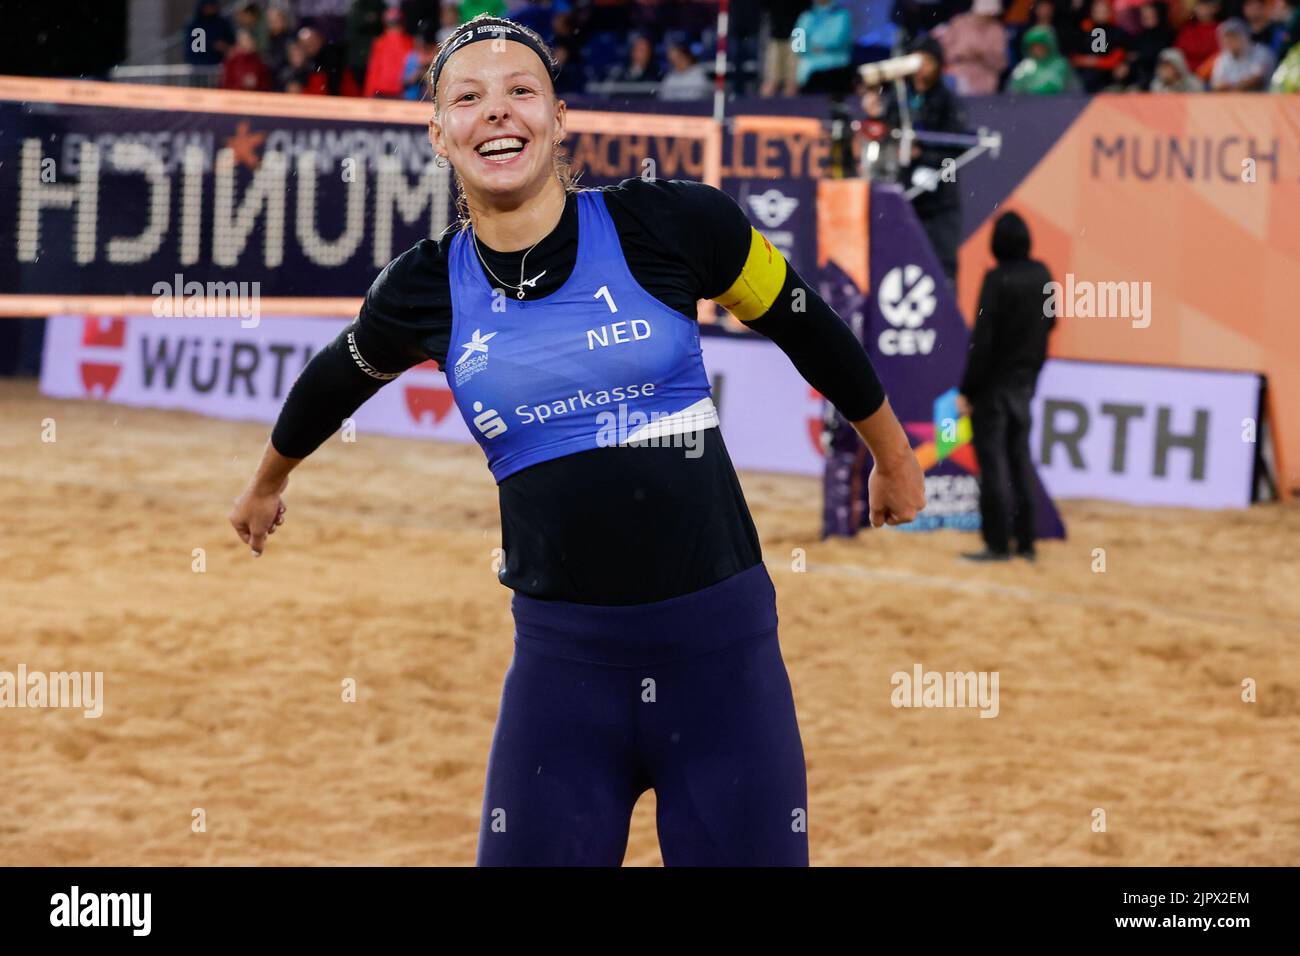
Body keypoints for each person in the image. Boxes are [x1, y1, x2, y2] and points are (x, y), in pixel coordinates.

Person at [229, 14, 925, 867]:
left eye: (521, 91)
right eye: (469, 98)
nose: (497, 112)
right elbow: (333, 383)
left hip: (723, 667)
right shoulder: (423, 290)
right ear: (438, 133)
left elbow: (806, 325)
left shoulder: (673, 224)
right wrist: (268, 481)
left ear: (560, 119)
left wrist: (891, 454)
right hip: (563, 680)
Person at [957, 212, 1054, 563]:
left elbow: (982, 341)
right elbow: (1050, 324)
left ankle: (998, 544)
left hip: (993, 389)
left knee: (993, 465)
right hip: (1024, 384)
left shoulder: (997, 280)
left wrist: (967, 389)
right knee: (1020, 461)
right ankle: (1026, 543)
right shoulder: (1043, 275)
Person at [862, 36, 970, 286]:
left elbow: (957, 148)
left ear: (939, 65)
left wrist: (923, 155)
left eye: (928, 61)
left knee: (941, 270)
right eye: (917, 61)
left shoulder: (949, 102)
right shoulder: (898, 98)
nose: (921, 68)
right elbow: (884, 137)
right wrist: (875, 116)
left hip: (941, 202)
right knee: (897, 266)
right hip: (904, 195)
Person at [934, 0, 1010, 95]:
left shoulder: (997, 30)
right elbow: (944, 51)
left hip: (985, 76)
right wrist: (961, 54)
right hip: (957, 72)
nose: (987, 17)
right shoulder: (959, 23)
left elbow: (1001, 64)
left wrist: (981, 54)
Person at [794, 0, 855, 95]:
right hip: (810, 70)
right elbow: (797, 43)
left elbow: (839, 39)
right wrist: (810, 49)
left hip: (837, 68)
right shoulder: (806, 16)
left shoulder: (842, 14)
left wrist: (821, 47)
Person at [1008, 23, 1081, 92]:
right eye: (1034, 47)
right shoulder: (1024, 68)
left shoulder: (1062, 65)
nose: (1038, 50)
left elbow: (1075, 89)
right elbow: (1013, 93)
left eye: (1041, 46)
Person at [759, 0, 808, 97]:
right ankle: (764, 108)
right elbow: (765, 5)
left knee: (792, 81)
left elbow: (807, 8)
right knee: (771, 79)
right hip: (776, 33)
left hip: (798, 33)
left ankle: (792, 106)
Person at [364, 6, 415, 97]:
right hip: (399, 91)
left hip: (383, 90)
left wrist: (368, 93)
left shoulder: (380, 42)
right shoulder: (408, 42)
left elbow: (373, 70)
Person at [1211, 17, 1276, 87]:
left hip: (1261, 97)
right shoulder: (1223, 58)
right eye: (1227, 38)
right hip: (1231, 97)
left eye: (1234, 37)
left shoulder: (1261, 52)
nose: (1230, 42)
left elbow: (1257, 81)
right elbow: (1216, 85)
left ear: (1245, 36)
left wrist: (1231, 86)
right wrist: (1237, 85)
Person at [1175, 0, 1223, 75]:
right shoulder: (1188, 28)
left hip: (1211, 74)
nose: (1201, 10)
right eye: (1199, 6)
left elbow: (1219, 55)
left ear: (1215, 8)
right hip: (1185, 73)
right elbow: (1178, 51)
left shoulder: (1221, 29)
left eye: (1205, 6)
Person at [184, 0, 235, 66]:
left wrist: (224, 47)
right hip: (198, 67)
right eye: (207, 6)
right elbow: (190, 50)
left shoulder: (222, 23)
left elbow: (232, 44)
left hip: (219, 65)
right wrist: (210, 45)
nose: (210, 9)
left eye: (212, 6)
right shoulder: (193, 24)